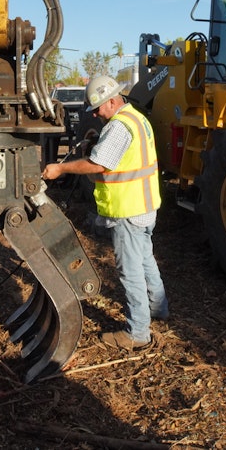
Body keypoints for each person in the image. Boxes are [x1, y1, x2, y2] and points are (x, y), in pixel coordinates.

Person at [42, 75, 168, 350]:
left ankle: (137, 333)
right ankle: (158, 309)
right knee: (146, 259)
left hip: (129, 209)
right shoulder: (136, 118)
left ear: (112, 101)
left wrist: (60, 169)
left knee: (130, 271)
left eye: (98, 108)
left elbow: (98, 165)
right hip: (146, 206)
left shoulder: (119, 127)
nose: (96, 114)